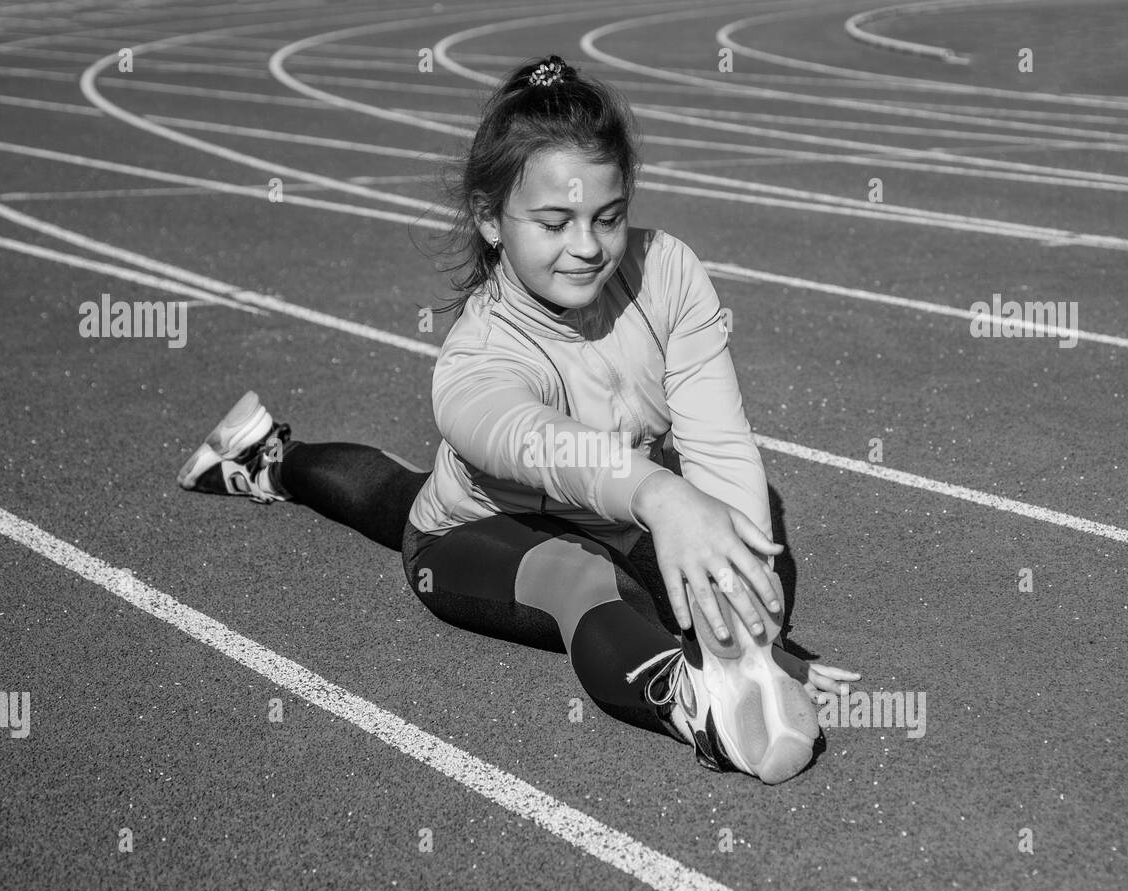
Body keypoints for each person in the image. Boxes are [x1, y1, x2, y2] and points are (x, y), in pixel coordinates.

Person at [177, 54, 859, 784]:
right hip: (467, 534)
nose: (588, 246)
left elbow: (718, 443)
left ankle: (268, 454)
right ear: (489, 219)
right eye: (555, 222)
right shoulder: (476, 362)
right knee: (574, 573)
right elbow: (547, 449)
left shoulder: (668, 272)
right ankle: (688, 704)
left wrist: (753, 633)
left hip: (596, 513)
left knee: (396, 493)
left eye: (609, 216)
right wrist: (663, 498)